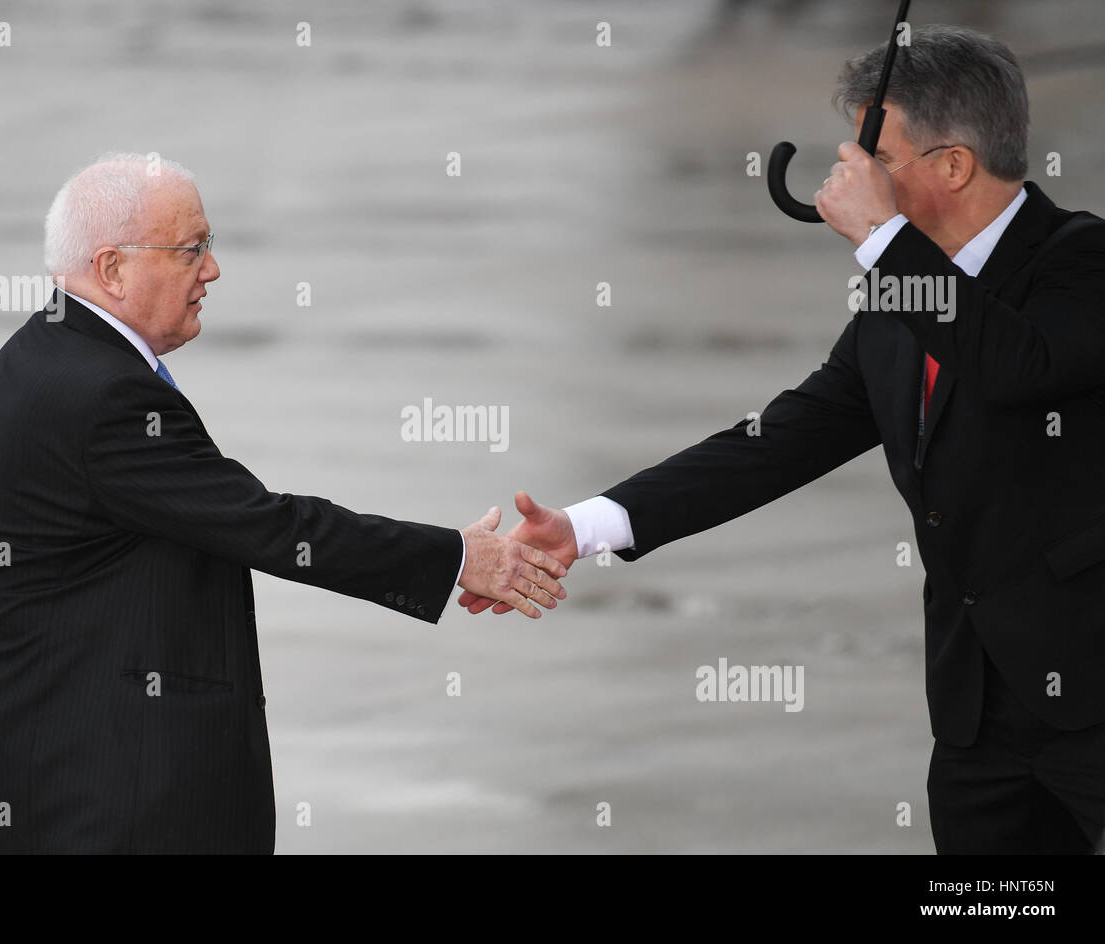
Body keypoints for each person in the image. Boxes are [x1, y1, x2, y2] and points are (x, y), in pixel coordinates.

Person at [461, 25, 1105, 854]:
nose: (853, 173)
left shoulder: (1082, 263)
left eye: (878, 153)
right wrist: (586, 527)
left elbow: (1017, 366)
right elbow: (776, 443)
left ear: (953, 165)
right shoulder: (896, 302)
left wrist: (883, 241)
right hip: (978, 709)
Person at [0, 152, 568, 854]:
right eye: (191, 250)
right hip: (108, 795)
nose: (211, 271)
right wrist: (458, 558)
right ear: (113, 269)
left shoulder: (40, 353)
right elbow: (267, 524)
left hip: (55, 768)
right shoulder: (104, 396)